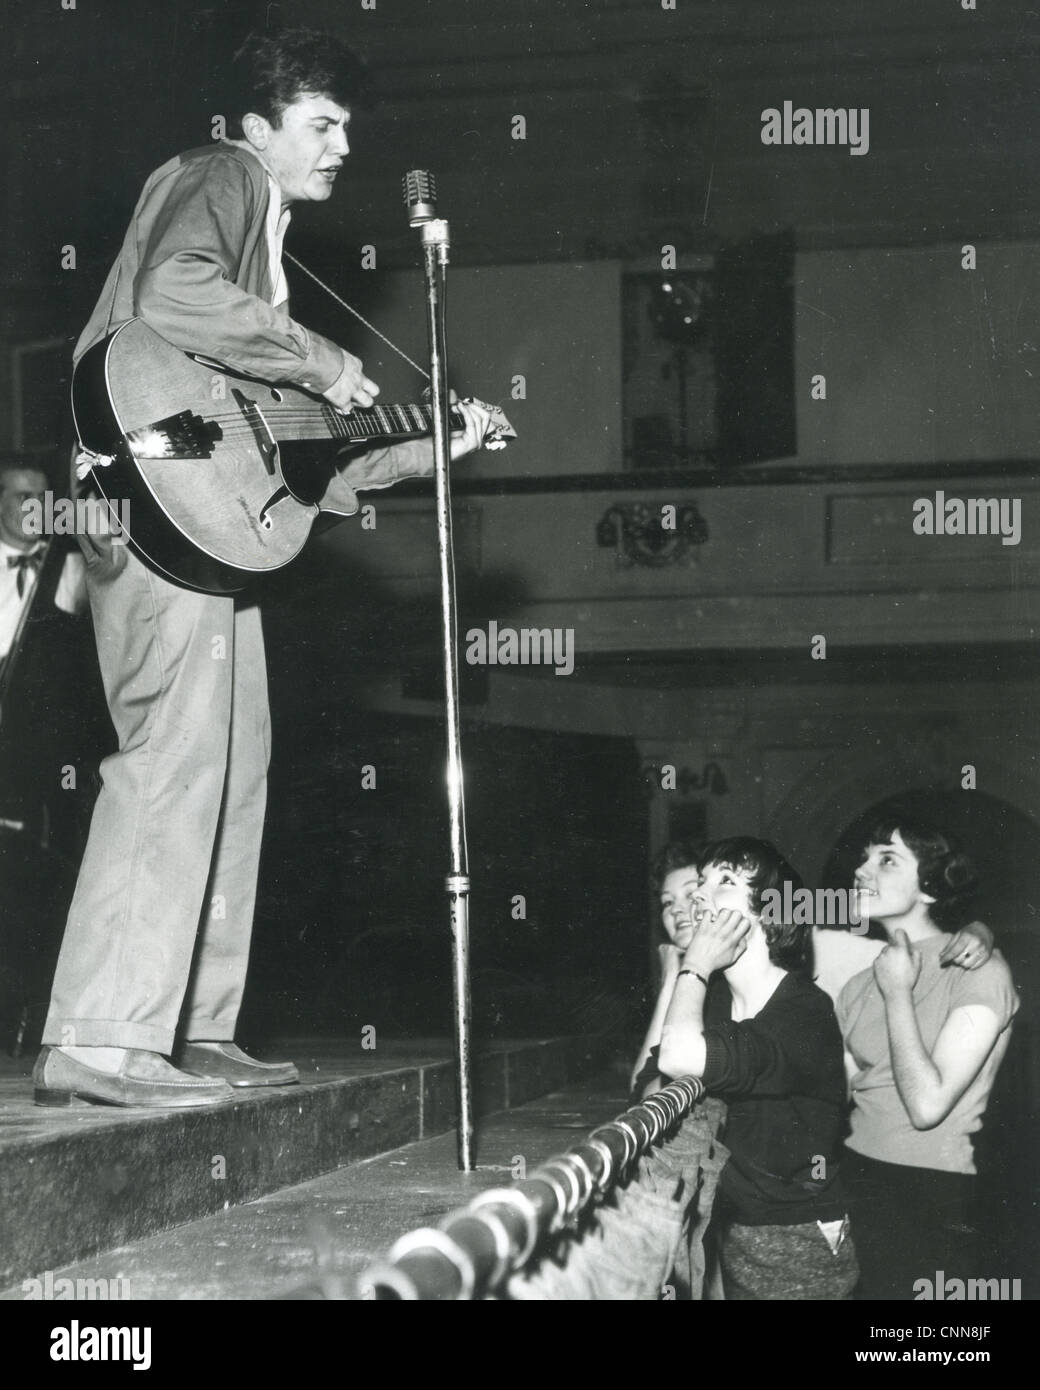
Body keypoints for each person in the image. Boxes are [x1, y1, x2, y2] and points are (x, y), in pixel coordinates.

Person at [33, 27, 492, 1110]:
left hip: (206, 518)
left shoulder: (269, 254)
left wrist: (433, 440)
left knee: (234, 772)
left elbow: (293, 460)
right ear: (256, 125)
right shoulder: (218, 173)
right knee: (170, 763)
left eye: (345, 128)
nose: (342, 145)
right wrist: (329, 362)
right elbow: (174, 292)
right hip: (149, 498)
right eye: (322, 123)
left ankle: (193, 1025)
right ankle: (101, 1032)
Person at [643, 837, 859, 1300]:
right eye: (701, 881)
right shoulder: (716, 1000)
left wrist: (695, 963)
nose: (700, 894)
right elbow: (650, 1084)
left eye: (724, 882)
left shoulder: (803, 1013)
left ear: (769, 912)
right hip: (736, 1230)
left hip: (798, 1238)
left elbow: (678, 1057)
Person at [836, 813, 1019, 1300]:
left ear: (931, 889)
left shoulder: (977, 968)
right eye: (865, 857)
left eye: (887, 860)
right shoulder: (858, 981)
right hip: (856, 1173)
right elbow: (843, 1090)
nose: (862, 870)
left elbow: (927, 1106)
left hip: (930, 1191)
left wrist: (898, 993)